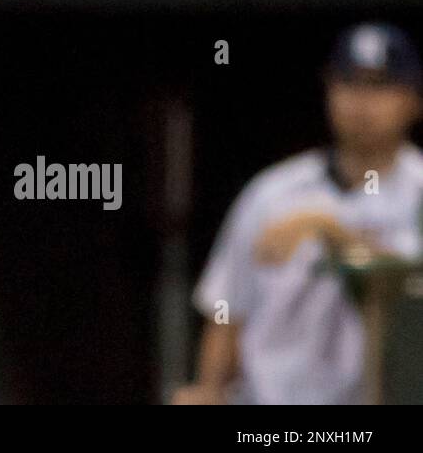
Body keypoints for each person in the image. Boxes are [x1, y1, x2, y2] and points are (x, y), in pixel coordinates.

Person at [175, 23, 423, 405]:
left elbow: (401, 278)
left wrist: (328, 230)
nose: (361, 102)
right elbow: (226, 307)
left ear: (413, 99)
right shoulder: (273, 192)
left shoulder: (417, 187)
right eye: (349, 83)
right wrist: (209, 388)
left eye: (380, 85)